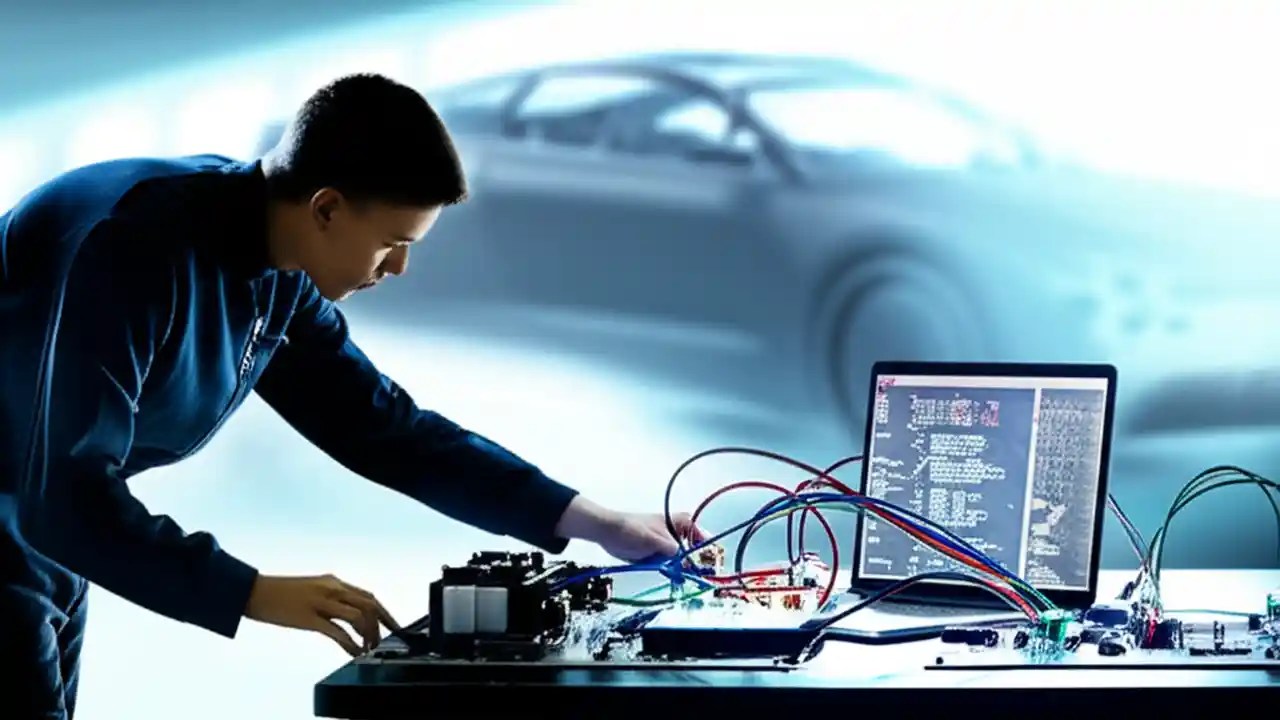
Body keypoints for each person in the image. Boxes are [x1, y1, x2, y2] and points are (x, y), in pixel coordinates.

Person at [0, 73, 706, 719]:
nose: (398, 267)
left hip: (47, 536)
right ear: (327, 208)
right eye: (392, 242)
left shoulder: (276, 264)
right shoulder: (128, 248)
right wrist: (253, 591)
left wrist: (597, 522)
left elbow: (385, 428)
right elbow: (61, 498)